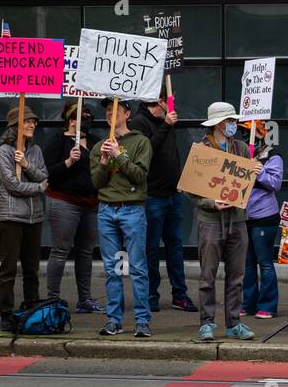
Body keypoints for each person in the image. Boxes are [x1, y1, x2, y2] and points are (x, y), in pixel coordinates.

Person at [193, 102, 259, 342]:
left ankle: (234, 323)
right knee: (207, 275)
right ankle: (207, 323)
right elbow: (191, 189)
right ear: (219, 123)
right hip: (210, 220)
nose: (233, 124)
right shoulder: (201, 150)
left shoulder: (241, 148)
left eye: (233, 120)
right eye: (230, 121)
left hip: (238, 220)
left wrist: (253, 171)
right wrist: (211, 202)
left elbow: (246, 184)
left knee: (237, 276)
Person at [91, 100, 153, 337]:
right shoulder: (99, 147)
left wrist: (120, 155)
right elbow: (96, 183)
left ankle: (142, 320)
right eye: (107, 111)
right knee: (112, 268)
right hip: (107, 210)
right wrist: (105, 163)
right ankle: (114, 320)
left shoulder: (140, 142)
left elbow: (139, 176)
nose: (110, 114)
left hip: (132, 209)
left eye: (115, 110)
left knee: (137, 267)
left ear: (127, 114)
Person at [130, 95, 195, 313]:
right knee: (151, 248)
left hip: (173, 194)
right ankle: (151, 294)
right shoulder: (140, 121)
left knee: (175, 246)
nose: (172, 100)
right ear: (159, 101)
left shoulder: (168, 120)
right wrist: (166, 125)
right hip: (153, 196)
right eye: (168, 98)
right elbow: (146, 151)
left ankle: (180, 293)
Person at [42, 103, 102, 313]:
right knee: (60, 251)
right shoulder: (58, 141)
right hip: (64, 201)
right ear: (71, 120)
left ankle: (84, 299)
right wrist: (68, 162)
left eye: (89, 116)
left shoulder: (95, 142)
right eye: (83, 116)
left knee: (85, 252)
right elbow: (46, 172)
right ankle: (53, 299)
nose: (88, 119)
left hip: (90, 204)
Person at [0, 105, 49, 332]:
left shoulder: (35, 150)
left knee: (32, 270)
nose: (32, 124)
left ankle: (32, 308)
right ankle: (6, 313)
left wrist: (27, 165)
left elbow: (46, 176)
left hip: (33, 217)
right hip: (10, 216)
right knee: (8, 270)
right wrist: (38, 187)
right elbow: (12, 185)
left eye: (34, 122)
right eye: (27, 121)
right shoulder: (4, 152)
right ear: (15, 126)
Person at [242, 121, 284, 319]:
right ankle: (248, 303)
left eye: (247, 133)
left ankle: (267, 305)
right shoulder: (239, 154)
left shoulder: (273, 157)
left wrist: (260, 171)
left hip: (264, 216)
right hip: (243, 215)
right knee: (247, 263)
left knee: (265, 261)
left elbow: (275, 184)